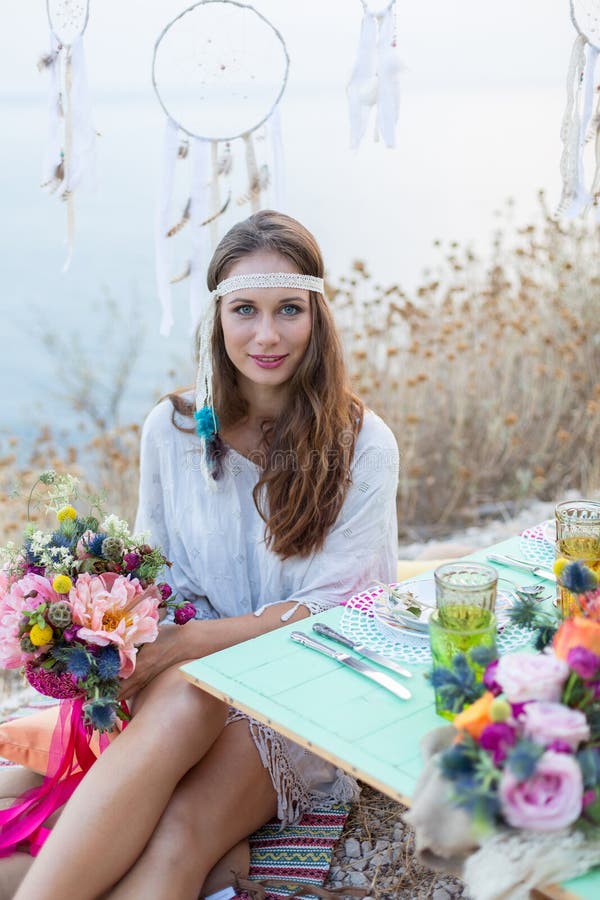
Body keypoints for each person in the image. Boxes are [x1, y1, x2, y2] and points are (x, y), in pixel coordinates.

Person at [11, 210, 399, 900]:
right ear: (218, 317)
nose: (268, 335)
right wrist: (110, 632)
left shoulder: (363, 446)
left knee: (177, 830)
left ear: (318, 316)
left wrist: (183, 644)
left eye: (289, 310)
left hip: (304, 688)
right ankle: (222, 872)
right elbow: (153, 574)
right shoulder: (172, 430)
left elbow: (336, 614)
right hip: (185, 677)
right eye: (245, 309)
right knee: (141, 751)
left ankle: (201, 861)